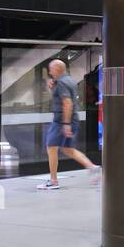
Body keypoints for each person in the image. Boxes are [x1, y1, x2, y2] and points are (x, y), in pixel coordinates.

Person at [38, 59, 100, 189]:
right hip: (71, 119)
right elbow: (62, 99)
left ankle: (53, 181)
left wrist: (66, 124)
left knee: (51, 147)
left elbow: (67, 103)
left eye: (51, 69)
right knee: (67, 149)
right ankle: (92, 167)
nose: (49, 72)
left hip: (61, 121)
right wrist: (51, 88)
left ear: (57, 69)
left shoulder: (61, 83)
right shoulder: (69, 80)